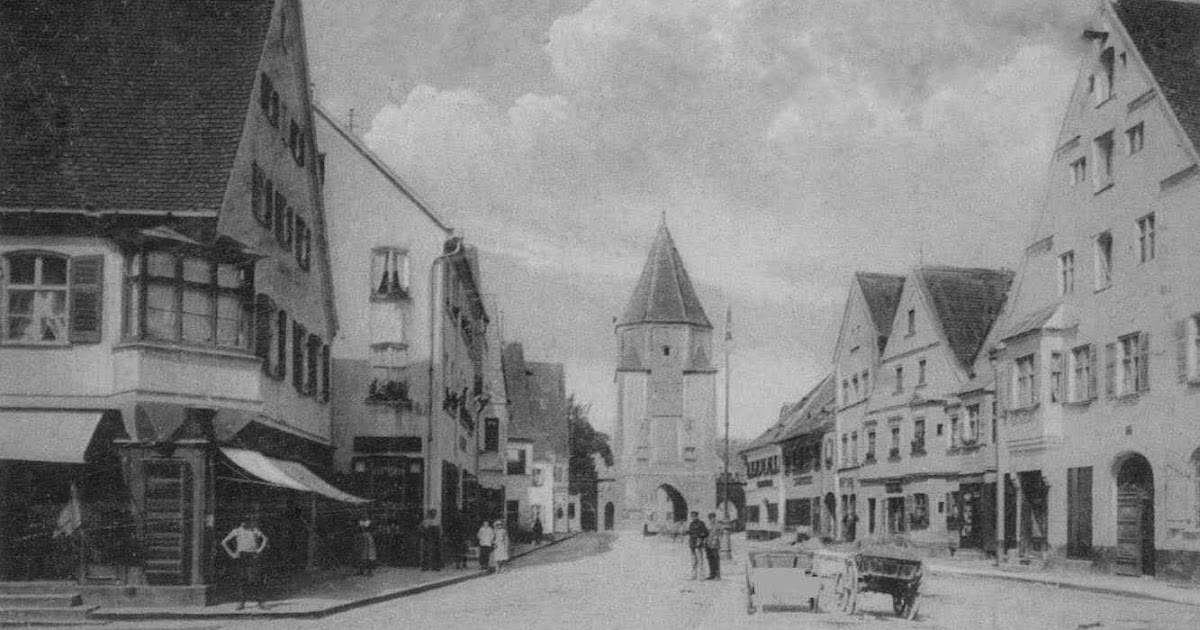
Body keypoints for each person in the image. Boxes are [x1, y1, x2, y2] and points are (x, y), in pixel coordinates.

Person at [221, 519, 269, 610]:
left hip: (253, 555)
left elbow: (265, 539)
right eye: (242, 522)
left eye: (246, 522)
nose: (244, 523)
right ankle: (241, 602)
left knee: (256, 578)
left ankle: (260, 602)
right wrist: (232, 554)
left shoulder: (254, 530)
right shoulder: (236, 531)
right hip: (242, 556)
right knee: (242, 578)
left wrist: (259, 550)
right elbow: (224, 542)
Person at [686, 511, 708, 580]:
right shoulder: (691, 524)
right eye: (692, 516)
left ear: (697, 516)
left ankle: (702, 576)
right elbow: (690, 532)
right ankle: (694, 575)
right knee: (693, 561)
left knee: (700, 560)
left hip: (699, 544)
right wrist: (686, 532)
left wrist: (700, 537)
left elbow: (706, 533)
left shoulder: (701, 523)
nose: (693, 517)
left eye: (694, 516)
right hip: (692, 543)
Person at [704, 513, 723, 580]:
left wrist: (717, 538)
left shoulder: (718, 525)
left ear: (715, 517)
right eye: (710, 518)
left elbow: (721, 533)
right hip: (708, 544)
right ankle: (712, 574)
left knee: (716, 559)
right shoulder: (708, 525)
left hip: (715, 544)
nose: (712, 519)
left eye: (713, 518)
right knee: (710, 559)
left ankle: (718, 575)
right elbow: (706, 533)